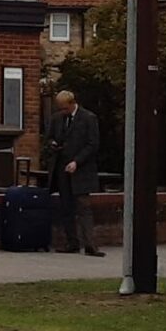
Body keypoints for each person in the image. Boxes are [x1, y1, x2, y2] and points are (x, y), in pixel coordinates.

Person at [48, 90, 103, 256]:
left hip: (81, 169)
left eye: (65, 108)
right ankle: (72, 242)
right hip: (62, 168)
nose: (63, 111)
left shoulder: (88, 118)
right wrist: (52, 143)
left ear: (72, 103)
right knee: (66, 207)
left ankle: (90, 245)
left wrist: (77, 161)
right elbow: (48, 137)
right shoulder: (57, 119)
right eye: (60, 108)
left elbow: (93, 144)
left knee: (84, 207)